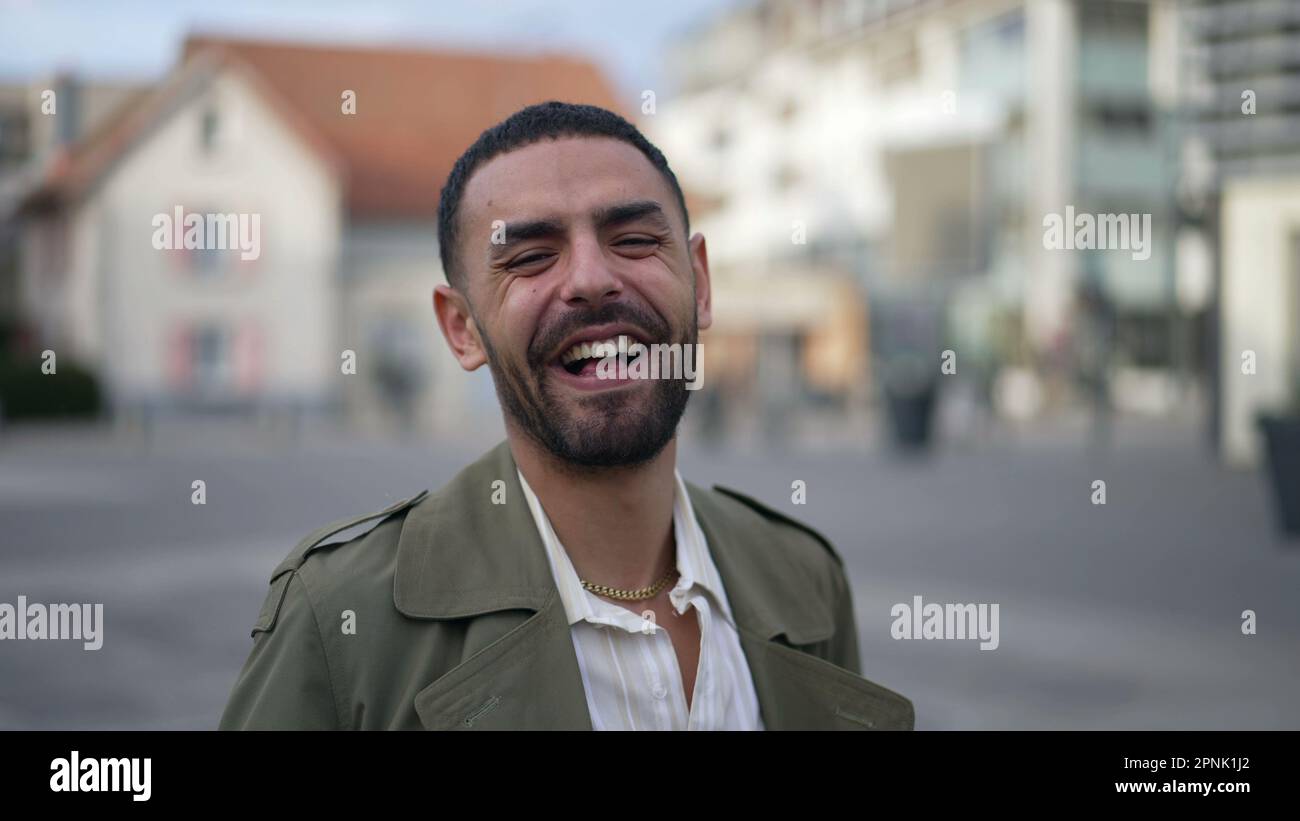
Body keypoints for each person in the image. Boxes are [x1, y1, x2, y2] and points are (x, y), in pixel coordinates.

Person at [219, 101, 913, 730]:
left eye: (635, 240)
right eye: (530, 256)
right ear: (461, 328)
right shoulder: (337, 617)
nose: (590, 279)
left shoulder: (804, 575)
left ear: (700, 286)